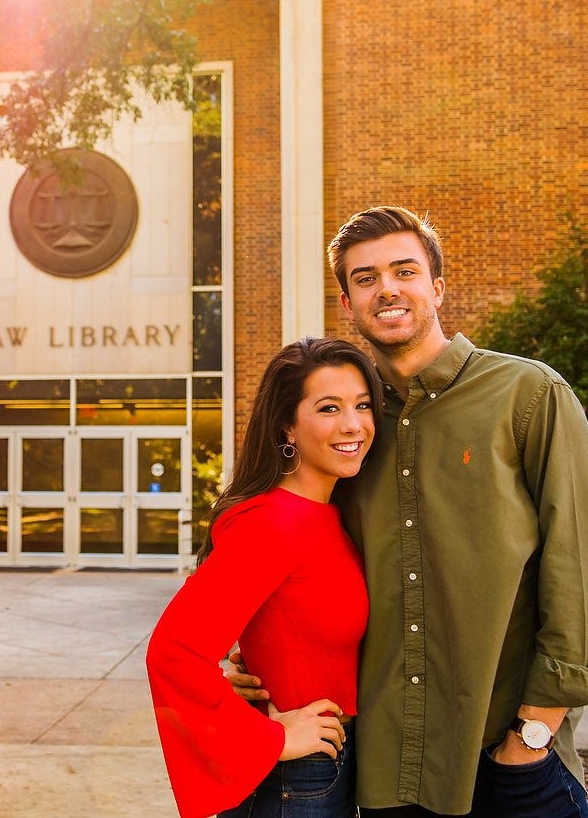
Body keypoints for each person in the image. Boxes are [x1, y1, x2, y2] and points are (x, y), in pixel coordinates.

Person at [229, 206, 588, 817]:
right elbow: (291, 549)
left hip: (507, 754)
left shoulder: (527, 396)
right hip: (389, 766)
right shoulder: (349, 431)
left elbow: (586, 571)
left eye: (404, 271)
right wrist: (248, 662)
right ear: (347, 303)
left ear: (438, 287)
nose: (386, 289)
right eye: (365, 278)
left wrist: (534, 734)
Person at [146, 337, 382, 817]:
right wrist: (270, 738)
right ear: (286, 426)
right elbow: (174, 653)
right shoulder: (272, 523)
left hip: (329, 766)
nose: (353, 424)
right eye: (329, 408)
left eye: (362, 405)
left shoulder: (329, 515)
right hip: (295, 780)